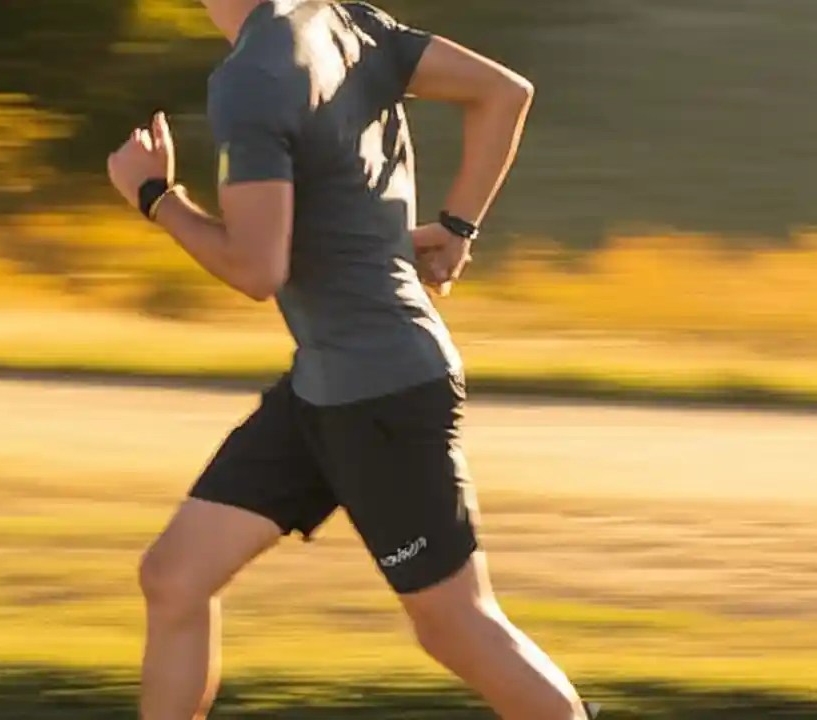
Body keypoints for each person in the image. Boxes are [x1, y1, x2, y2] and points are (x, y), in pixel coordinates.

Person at [106, 1, 597, 718]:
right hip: (326, 384)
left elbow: (257, 269)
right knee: (175, 577)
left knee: (455, 626)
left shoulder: (254, 75)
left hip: (381, 392)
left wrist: (155, 197)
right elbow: (504, 93)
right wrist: (458, 228)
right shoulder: (344, 20)